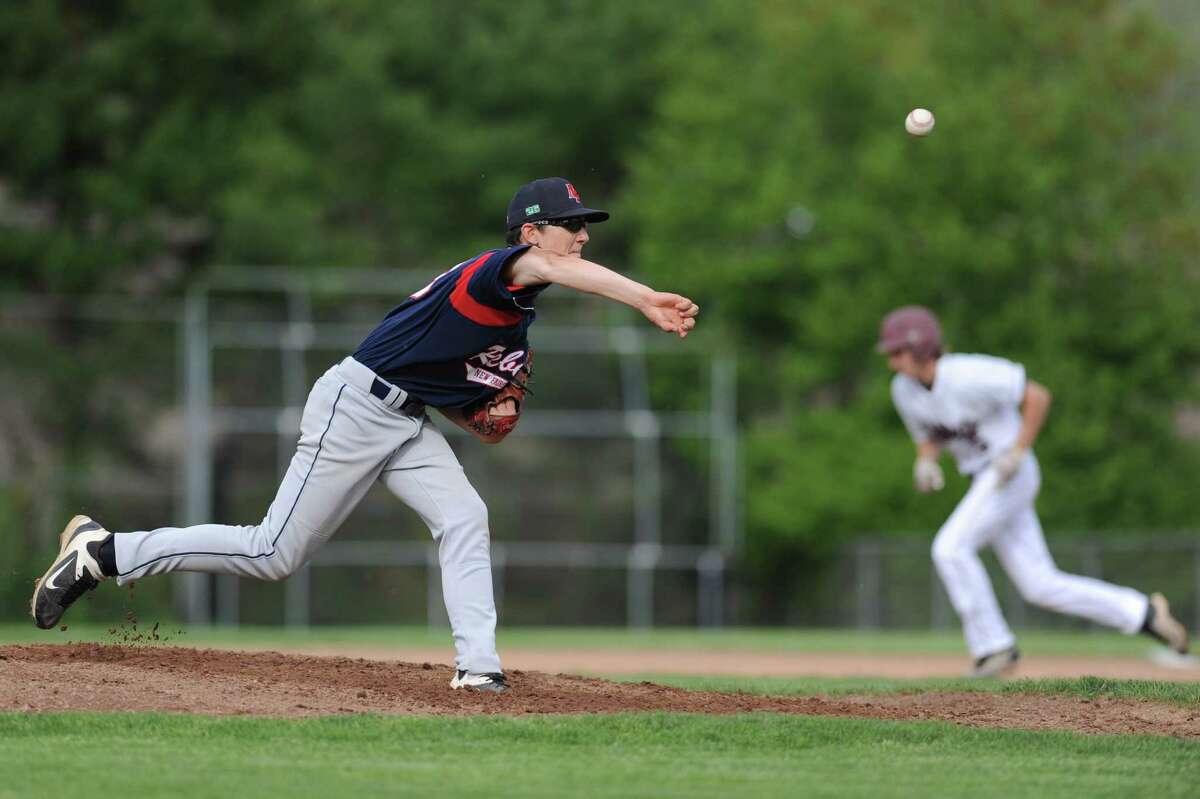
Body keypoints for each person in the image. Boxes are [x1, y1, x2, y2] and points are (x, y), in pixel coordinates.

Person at [31, 177, 700, 693]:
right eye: (571, 225)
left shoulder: (514, 327)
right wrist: (646, 298)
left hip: (404, 420)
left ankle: (479, 669)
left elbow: (480, 418)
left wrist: (485, 415)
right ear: (531, 234)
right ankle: (106, 551)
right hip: (355, 406)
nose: (582, 236)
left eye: (585, 226)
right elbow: (555, 270)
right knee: (272, 552)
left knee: (466, 514)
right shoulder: (496, 272)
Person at [878, 305, 1189, 677]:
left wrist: (1018, 449)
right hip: (983, 478)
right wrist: (925, 462)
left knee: (950, 548)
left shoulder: (968, 374)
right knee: (1040, 585)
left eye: (897, 352)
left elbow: (1036, 395)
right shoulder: (904, 391)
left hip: (1009, 471)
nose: (892, 361)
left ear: (922, 348)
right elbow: (930, 436)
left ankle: (994, 648)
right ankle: (1143, 614)